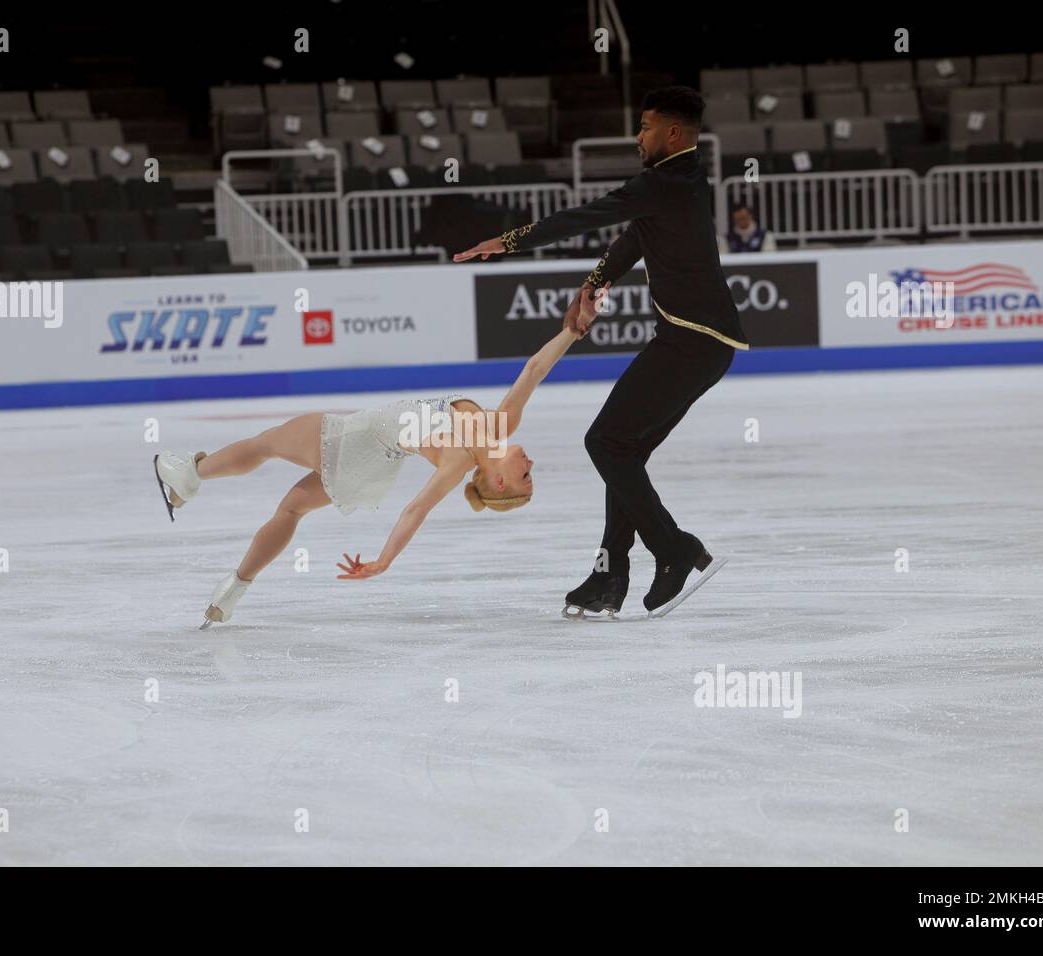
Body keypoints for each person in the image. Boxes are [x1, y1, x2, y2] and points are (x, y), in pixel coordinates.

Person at [454, 87, 749, 618]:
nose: (639, 137)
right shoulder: (680, 182)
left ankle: (673, 549)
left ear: (673, 133)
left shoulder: (665, 180)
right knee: (623, 451)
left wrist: (508, 241)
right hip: (700, 343)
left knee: (605, 443)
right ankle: (610, 573)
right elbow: (636, 238)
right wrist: (593, 283)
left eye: (646, 127)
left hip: (691, 341)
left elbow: (584, 216)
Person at [153, 302, 598, 628]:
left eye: (526, 475)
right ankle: (232, 590)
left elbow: (416, 510)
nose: (532, 462)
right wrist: (573, 332)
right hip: (374, 465)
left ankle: (190, 475)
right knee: (290, 510)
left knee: (263, 445)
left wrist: (385, 560)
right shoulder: (499, 424)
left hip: (359, 438)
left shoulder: (460, 459)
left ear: (498, 480)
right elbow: (535, 369)